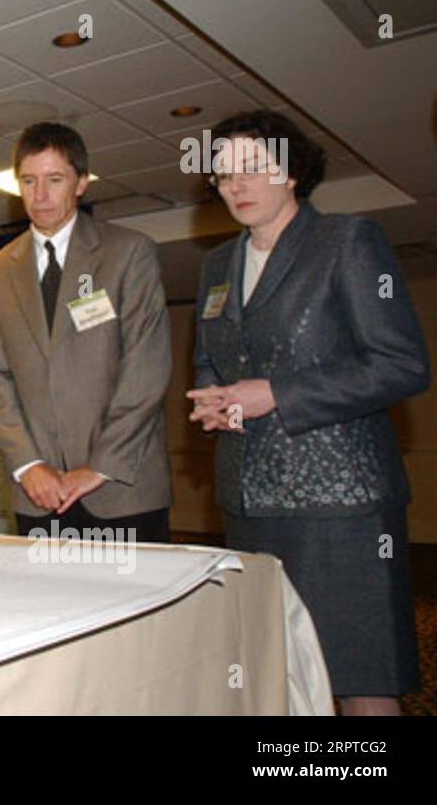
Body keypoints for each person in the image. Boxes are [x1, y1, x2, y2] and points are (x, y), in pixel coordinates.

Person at [187, 110, 429, 715]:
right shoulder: (217, 266)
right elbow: (210, 364)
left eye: (253, 168)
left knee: (357, 681)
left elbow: (402, 365)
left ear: (291, 171)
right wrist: (219, 405)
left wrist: (277, 394)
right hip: (250, 508)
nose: (236, 185)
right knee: (280, 678)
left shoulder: (348, 241)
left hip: (341, 509)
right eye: (222, 176)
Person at [0, 122, 172, 542]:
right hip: (39, 495)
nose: (39, 195)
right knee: (51, 607)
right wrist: (28, 465)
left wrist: (97, 466)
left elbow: (146, 370)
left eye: (54, 180)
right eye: (28, 181)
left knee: (134, 607)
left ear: (82, 183)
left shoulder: (128, 253)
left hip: (122, 489)